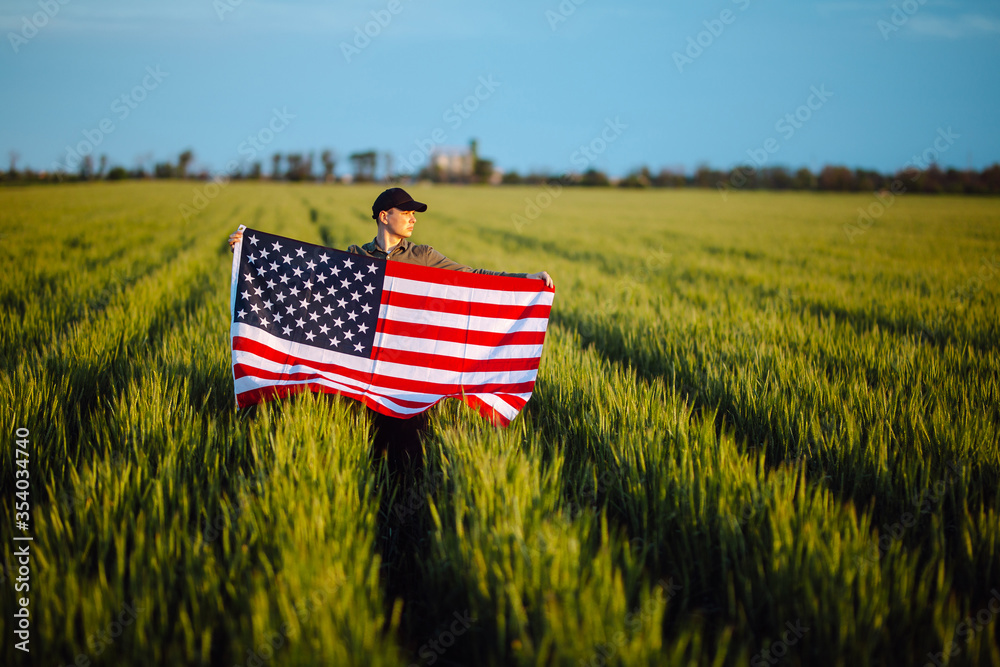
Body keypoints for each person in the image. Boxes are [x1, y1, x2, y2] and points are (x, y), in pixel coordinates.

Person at [227, 187, 553, 474]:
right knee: (364, 448)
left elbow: (473, 277)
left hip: (406, 378)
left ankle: (404, 505)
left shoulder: (423, 256)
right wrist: (248, 251)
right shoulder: (356, 257)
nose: (413, 219)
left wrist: (527, 279)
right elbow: (309, 282)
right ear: (384, 216)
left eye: (414, 214)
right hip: (359, 377)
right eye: (406, 213)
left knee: (408, 455)